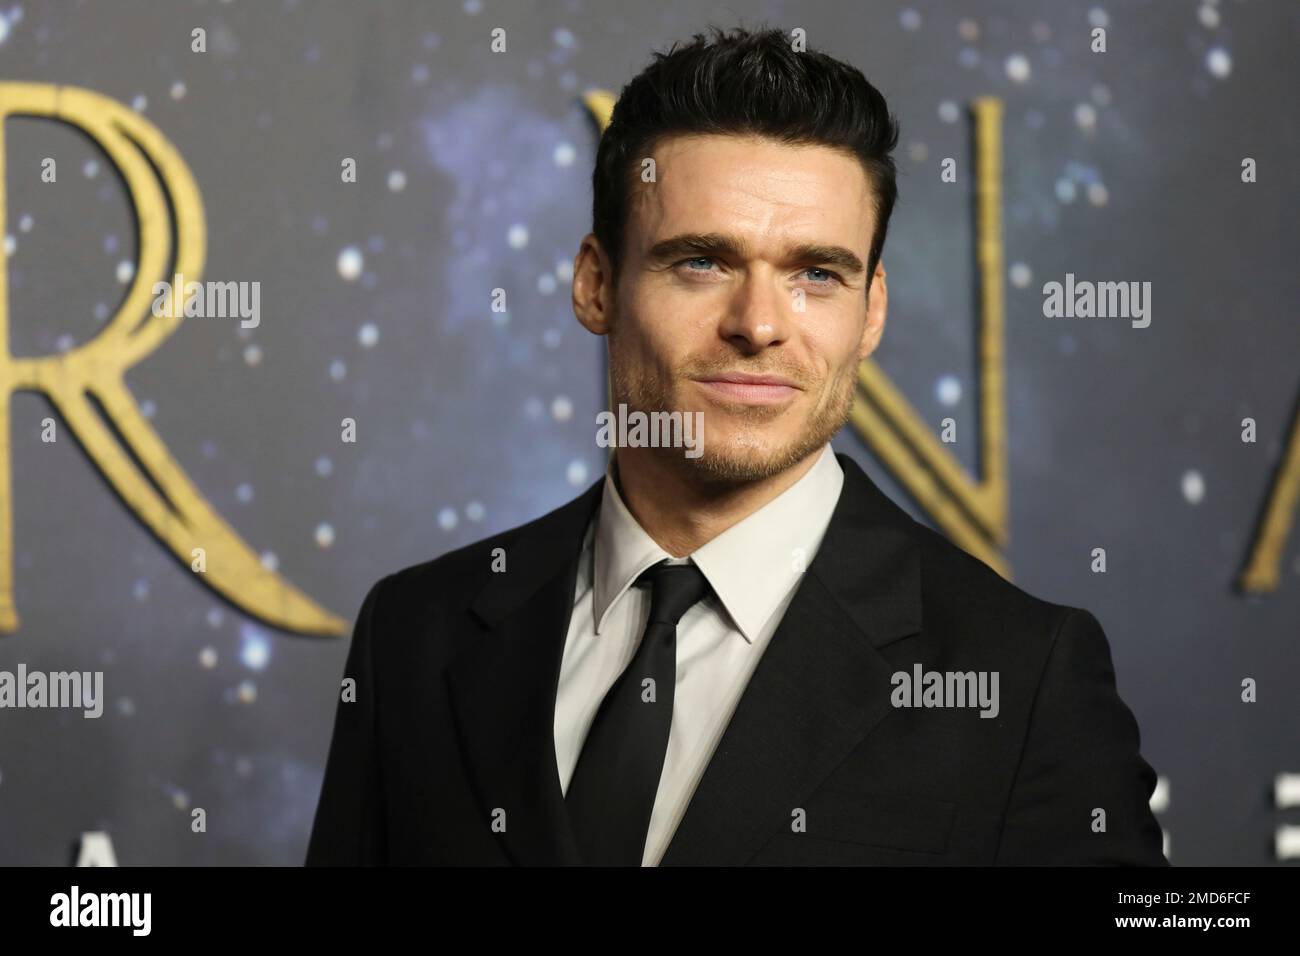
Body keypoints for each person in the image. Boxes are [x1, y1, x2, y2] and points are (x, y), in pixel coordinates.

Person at [306, 25, 1167, 866]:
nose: (758, 325)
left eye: (816, 275)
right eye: (703, 263)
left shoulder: (1021, 680)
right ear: (596, 284)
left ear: (870, 313)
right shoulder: (416, 636)